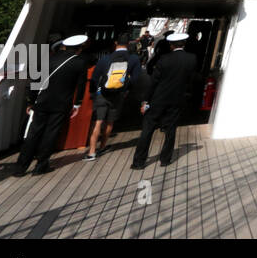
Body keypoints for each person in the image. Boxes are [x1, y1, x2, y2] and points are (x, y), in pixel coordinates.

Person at [15, 34, 89, 176]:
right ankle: (40, 166)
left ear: (64, 46)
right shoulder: (80, 63)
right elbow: (80, 86)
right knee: (51, 134)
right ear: (79, 49)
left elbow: (34, 83)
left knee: (33, 133)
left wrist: (31, 101)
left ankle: (20, 167)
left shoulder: (47, 59)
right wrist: (77, 105)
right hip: (61, 104)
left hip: (42, 102)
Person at [131, 31, 196, 169]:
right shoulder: (192, 59)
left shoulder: (164, 59)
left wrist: (145, 101)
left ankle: (139, 162)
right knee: (171, 130)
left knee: (147, 130)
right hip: (177, 100)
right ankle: (165, 160)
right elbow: (190, 80)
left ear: (171, 45)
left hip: (158, 99)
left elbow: (153, 82)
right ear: (184, 44)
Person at [85, 32, 141, 161]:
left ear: (115, 43)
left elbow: (94, 78)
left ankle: (92, 152)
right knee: (110, 121)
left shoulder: (105, 59)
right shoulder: (133, 59)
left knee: (97, 121)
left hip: (102, 93)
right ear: (128, 44)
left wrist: (94, 93)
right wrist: (126, 90)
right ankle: (103, 146)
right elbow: (135, 79)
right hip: (119, 94)